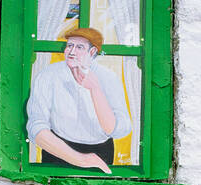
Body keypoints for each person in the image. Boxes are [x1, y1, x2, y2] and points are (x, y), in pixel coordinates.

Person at [26, 28, 132, 173]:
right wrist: (80, 159)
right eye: (69, 46)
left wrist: (95, 89)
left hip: (100, 152)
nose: (71, 51)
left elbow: (118, 129)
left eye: (79, 47)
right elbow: (36, 125)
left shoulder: (108, 78)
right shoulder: (47, 75)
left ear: (92, 52)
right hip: (57, 149)